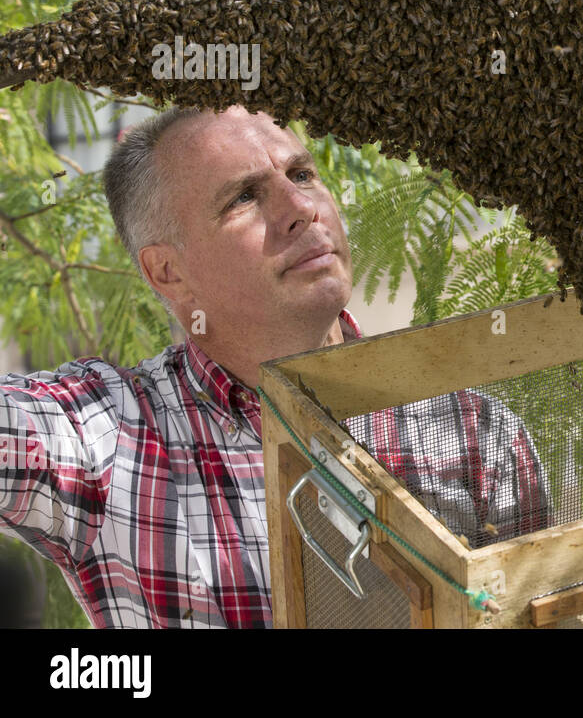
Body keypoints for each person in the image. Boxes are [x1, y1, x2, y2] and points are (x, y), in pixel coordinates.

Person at [0, 106, 549, 628]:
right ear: (168, 271)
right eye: (244, 197)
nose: (300, 208)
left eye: (302, 173)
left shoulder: (473, 429)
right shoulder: (108, 437)